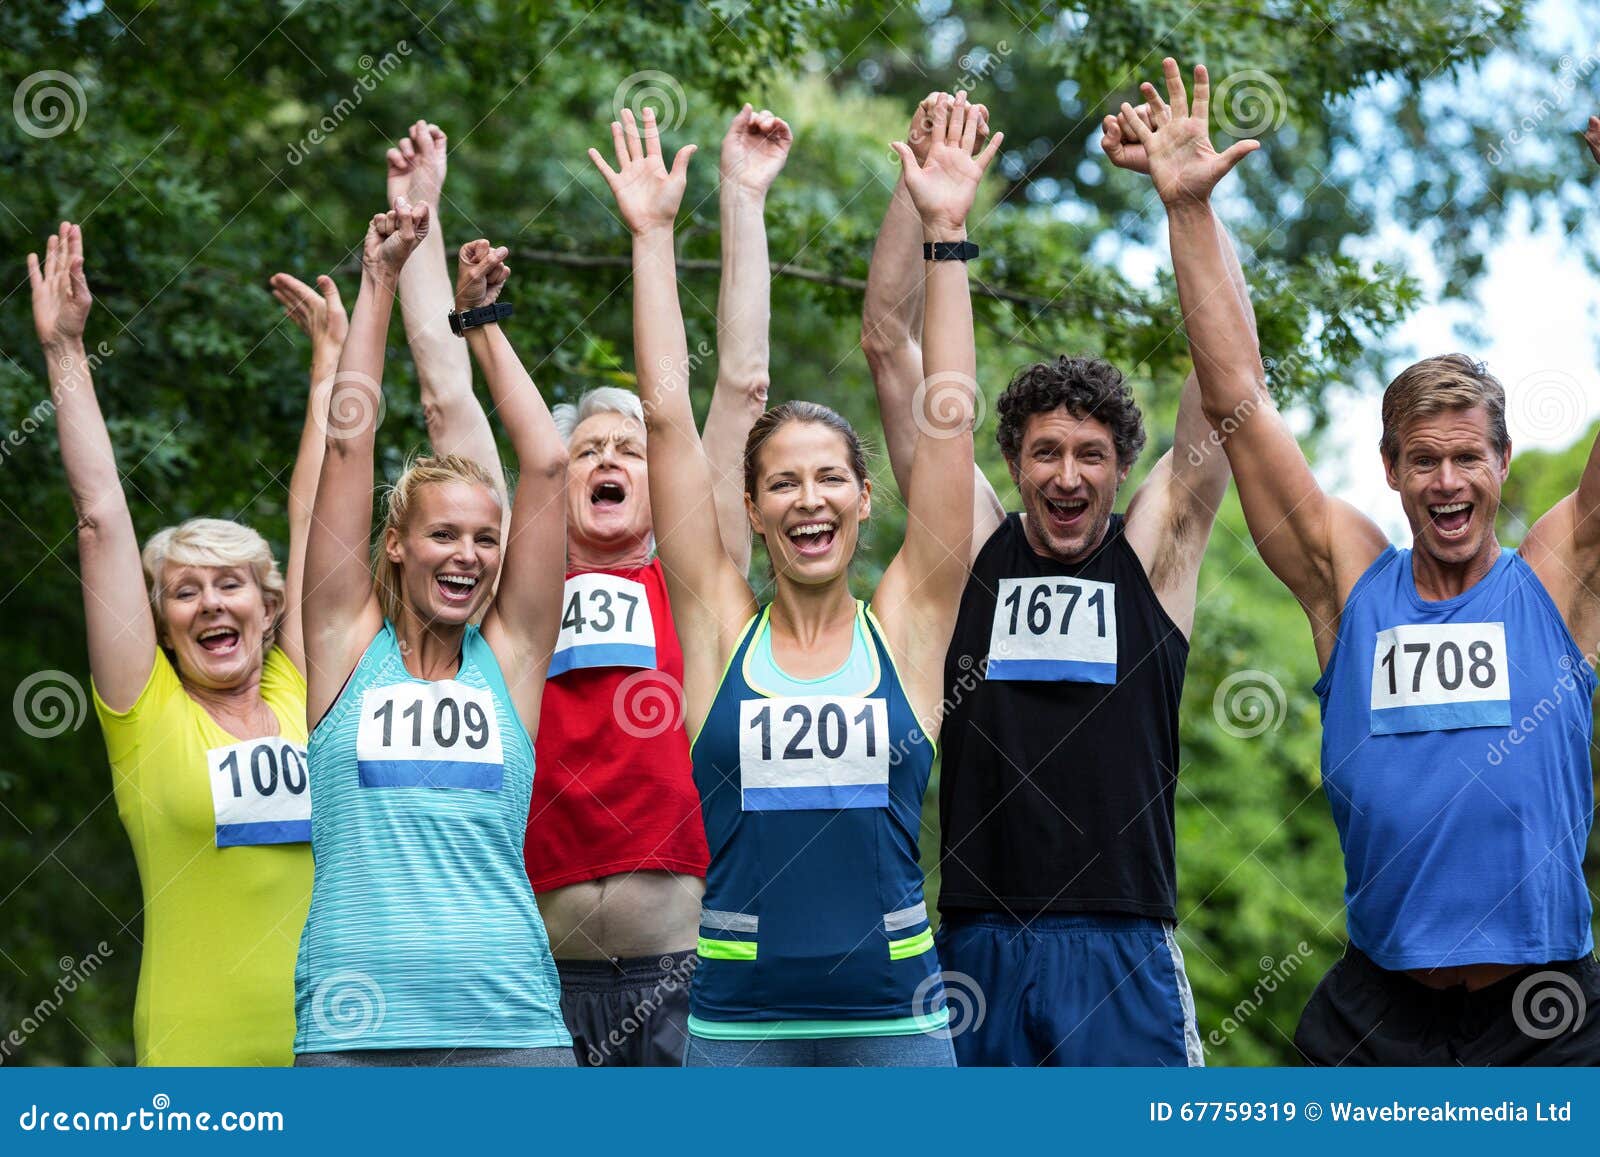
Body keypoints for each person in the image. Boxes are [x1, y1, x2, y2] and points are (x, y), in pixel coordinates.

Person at [1138, 57, 1600, 1064]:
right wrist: (1186, 210)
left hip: (1547, 1017)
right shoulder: (1350, 578)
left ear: (1501, 461)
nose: (1446, 482)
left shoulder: (1556, 578)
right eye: (1422, 459)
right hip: (1377, 1016)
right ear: (1389, 469)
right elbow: (1236, 404)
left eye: (1466, 458)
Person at [588, 100, 999, 1065]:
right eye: (783, 482)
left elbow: (947, 422)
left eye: (829, 479)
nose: (807, 499)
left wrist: (947, 234)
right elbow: (666, 417)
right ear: (757, 509)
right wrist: (651, 238)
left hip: (897, 1032)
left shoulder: (908, 623)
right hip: (738, 1036)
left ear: (863, 501)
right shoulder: (719, 626)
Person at [862, 91, 1251, 1066]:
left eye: (1088, 454)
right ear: (1013, 460)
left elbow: (1229, 381)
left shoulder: (1153, 557)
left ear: (1121, 467)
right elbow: (886, 343)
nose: (1067, 475)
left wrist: (1186, 207)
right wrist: (923, 200)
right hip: (975, 941)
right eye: (1044, 452)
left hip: (1121, 941)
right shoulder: (975, 546)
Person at [527, 104, 787, 1067]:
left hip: (682, 968)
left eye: (627, 449)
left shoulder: (690, 562)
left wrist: (740, 200)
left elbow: (737, 386)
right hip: (538, 979)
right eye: (586, 447)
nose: (606, 459)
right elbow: (453, 408)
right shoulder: (523, 584)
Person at [31, 220, 322, 1066]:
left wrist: (331, 370)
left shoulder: (302, 685)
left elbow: (314, 520)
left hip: (346, 1052)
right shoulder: (145, 707)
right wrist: (66, 352)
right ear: (159, 624)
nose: (208, 603)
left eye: (230, 582)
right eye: (184, 590)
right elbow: (100, 521)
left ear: (268, 609)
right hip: (201, 1063)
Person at [292, 197, 571, 1066]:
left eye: (487, 538)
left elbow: (550, 462)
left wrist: (482, 322)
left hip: (510, 1031)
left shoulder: (511, 658)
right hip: (353, 1032)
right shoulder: (343, 644)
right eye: (444, 534)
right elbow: (348, 445)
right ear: (399, 545)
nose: (469, 554)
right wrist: (378, 279)